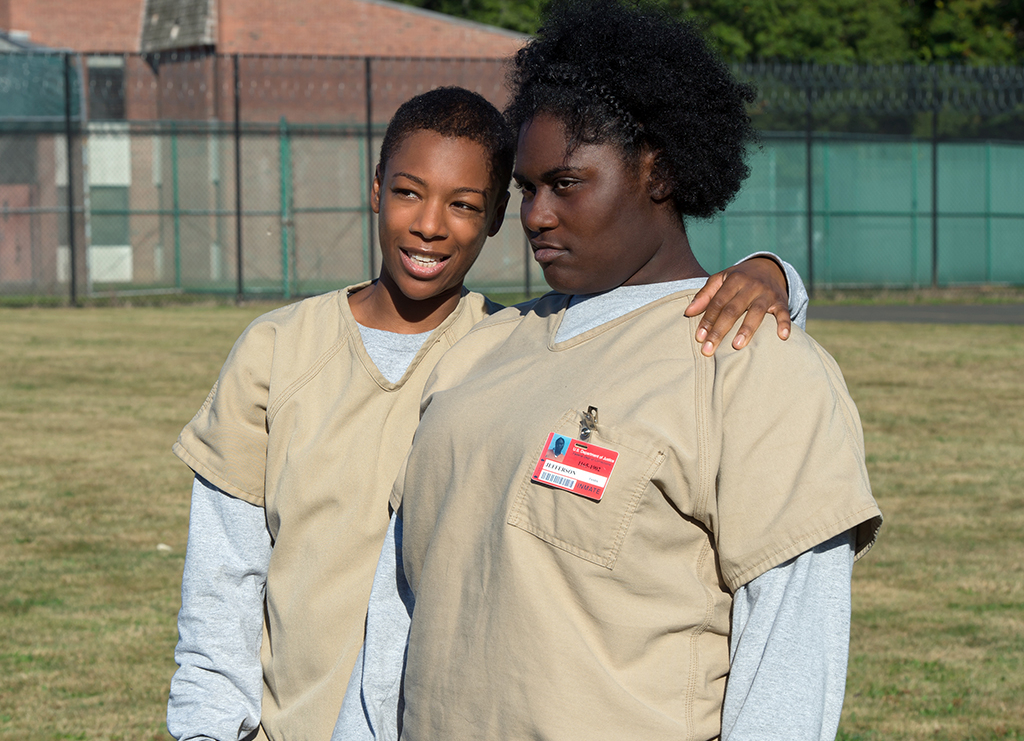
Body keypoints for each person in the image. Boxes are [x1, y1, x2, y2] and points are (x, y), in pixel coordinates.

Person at [167, 86, 806, 741]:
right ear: (377, 187)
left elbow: (642, 337)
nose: (430, 225)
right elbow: (223, 575)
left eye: (465, 204)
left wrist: (773, 274)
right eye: (409, 192)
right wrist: (209, 729)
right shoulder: (280, 349)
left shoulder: (502, 351)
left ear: (496, 215)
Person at [336, 0, 881, 741]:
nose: (533, 213)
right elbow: (396, 606)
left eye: (565, 183)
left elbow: (793, 646)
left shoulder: (753, 365)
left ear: (656, 172)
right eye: (526, 188)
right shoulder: (481, 351)